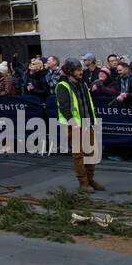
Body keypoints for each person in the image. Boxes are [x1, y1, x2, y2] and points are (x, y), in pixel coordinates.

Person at [54, 58, 101, 192]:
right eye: (78, 70)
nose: (81, 72)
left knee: (91, 152)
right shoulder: (62, 86)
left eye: (81, 69)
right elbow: (64, 107)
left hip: (87, 123)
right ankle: (83, 183)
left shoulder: (83, 84)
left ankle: (90, 179)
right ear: (70, 72)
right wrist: (72, 122)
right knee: (78, 154)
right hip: (73, 126)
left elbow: (88, 103)